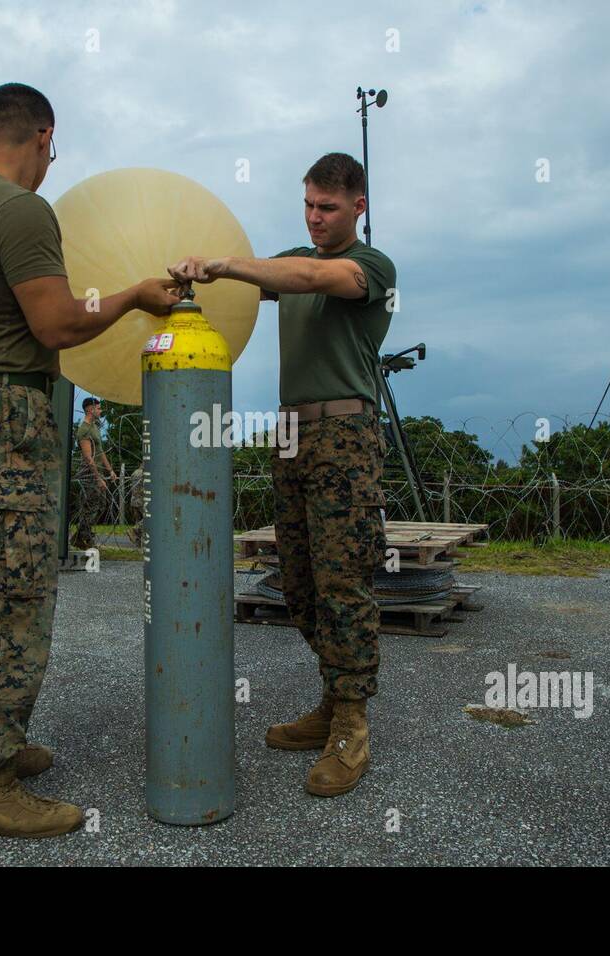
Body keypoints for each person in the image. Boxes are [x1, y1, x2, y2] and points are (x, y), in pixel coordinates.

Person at [0, 82, 179, 838]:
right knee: (16, 600)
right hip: (5, 419)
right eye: (54, 147)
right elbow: (59, 322)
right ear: (41, 136)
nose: (53, 161)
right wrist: (136, 294)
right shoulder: (21, 209)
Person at [169, 152, 395, 797]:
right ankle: (330, 702)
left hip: (346, 435)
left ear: (358, 207)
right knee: (297, 581)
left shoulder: (371, 268)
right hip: (292, 433)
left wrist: (226, 263)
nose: (316, 217)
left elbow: (303, 277)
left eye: (328, 206)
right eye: (308, 204)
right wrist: (191, 269)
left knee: (342, 580)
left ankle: (351, 721)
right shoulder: (295, 259)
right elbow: (263, 278)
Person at [71, 396, 116, 551]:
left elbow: (100, 452)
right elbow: (89, 458)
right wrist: (98, 479)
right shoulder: (84, 429)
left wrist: (110, 470)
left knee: (101, 504)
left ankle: (80, 536)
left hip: (98, 473)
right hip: (88, 474)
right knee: (92, 506)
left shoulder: (94, 427)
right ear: (90, 409)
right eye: (98, 408)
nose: (100, 410)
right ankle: (85, 538)